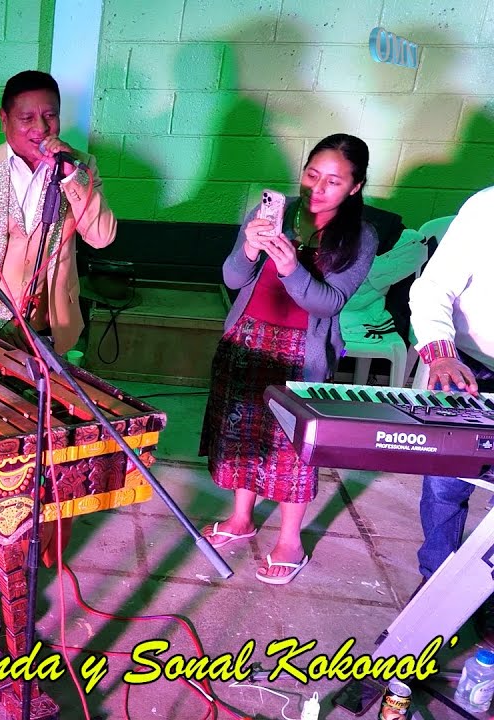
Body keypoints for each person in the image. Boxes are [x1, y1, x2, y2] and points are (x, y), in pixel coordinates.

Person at [199, 134, 377, 585]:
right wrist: (249, 249)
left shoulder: (360, 236)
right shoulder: (271, 214)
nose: (317, 188)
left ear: (355, 187)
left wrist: (291, 269)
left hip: (300, 352)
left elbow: (329, 303)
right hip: (247, 337)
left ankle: (291, 540)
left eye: (333, 181)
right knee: (241, 433)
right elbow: (231, 277)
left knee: (292, 450)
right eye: (312, 174)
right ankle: (241, 519)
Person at [0, 70, 117, 356]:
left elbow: (102, 237)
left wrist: (69, 174)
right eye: (27, 119)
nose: (41, 128)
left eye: (51, 116)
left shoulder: (81, 165)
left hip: (49, 326)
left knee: (41, 398)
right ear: (4, 119)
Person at [409, 185, 494, 586]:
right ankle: (436, 584)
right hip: (470, 369)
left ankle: (485, 595)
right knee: (446, 486)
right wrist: (442, 354)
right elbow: (433, 287)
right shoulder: (486, 206)